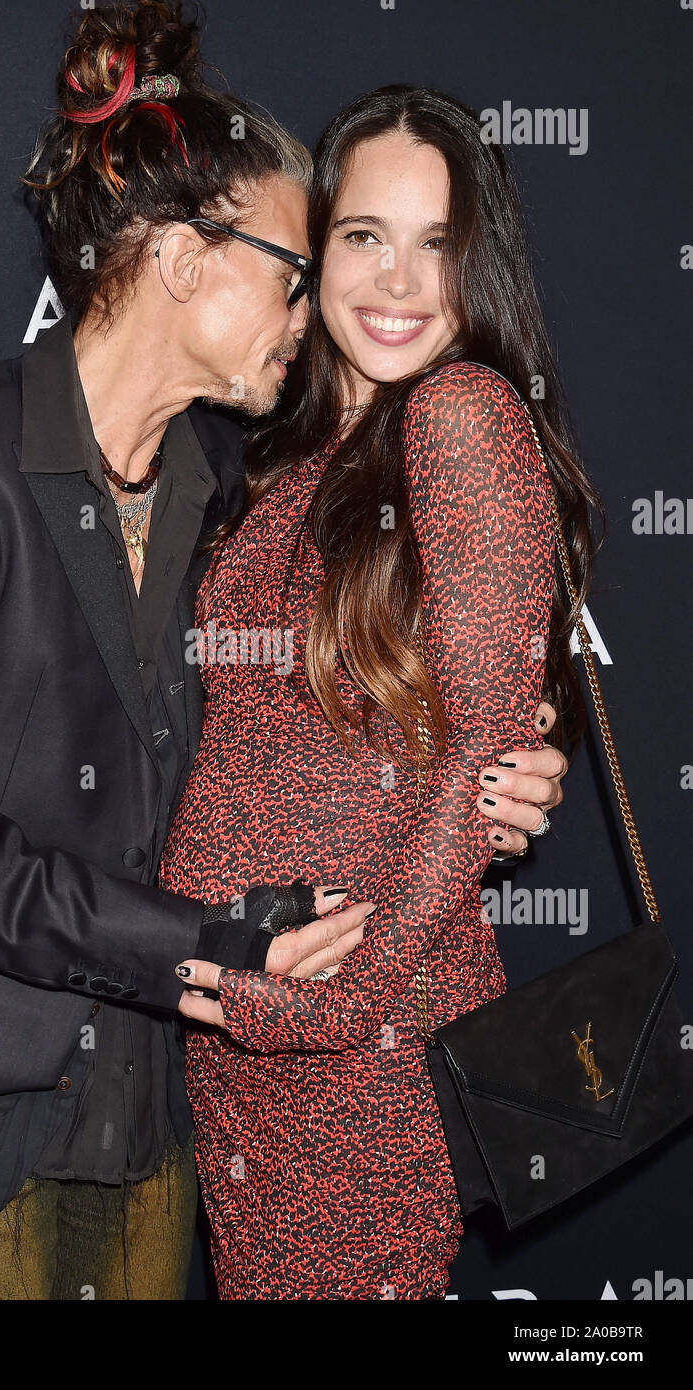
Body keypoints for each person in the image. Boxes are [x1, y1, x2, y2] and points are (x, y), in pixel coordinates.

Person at [0, 4, 566, 1300]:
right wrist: (215, 945)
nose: (347, 293)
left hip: (191, 1064)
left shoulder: (246, 465)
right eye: (323, 254)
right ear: (191, 258)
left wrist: (485, 785)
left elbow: (409, 712)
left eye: (428, 245)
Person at [159, 82, 602, 1300]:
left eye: (436, 245)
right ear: (312, 249)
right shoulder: (280, 448)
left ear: (478, 268)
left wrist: (340, 1003)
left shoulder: (458, 417)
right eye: (364, 237)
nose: (398, 283)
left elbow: (475, 762)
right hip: (246, 1035)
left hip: (363, 1042)